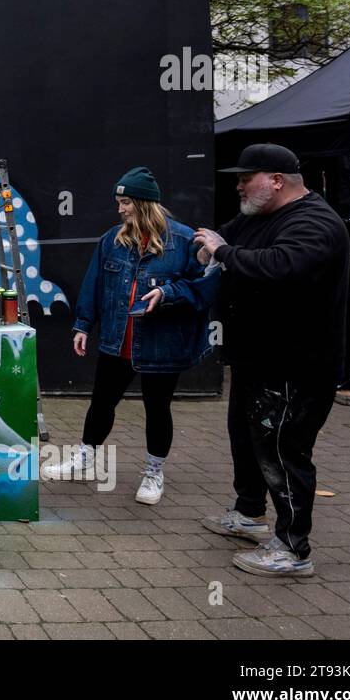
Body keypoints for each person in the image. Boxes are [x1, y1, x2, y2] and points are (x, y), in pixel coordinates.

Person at [195, 143, 349, 579]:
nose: (239, 184)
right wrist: (206, 247)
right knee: (247, 442)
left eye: (247, 177)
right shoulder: (254, 215)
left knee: (284, 453)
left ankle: (292, 548)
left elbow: (281, 266)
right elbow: (219, 237)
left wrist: (223, 252)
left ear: (277, 180)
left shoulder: (316, 222)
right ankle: (248, 514)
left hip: (296, 367)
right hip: (255, 360)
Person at [47, 167, 217, 505]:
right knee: (101, 403)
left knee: (157, 408)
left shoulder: (183, 240)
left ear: (144, 203)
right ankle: (85, 458)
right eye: (118, 202)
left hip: (161, 341)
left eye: (125, 202)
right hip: (116, 338)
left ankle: (154, 472)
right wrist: (83, 325)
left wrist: (169, 291)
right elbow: (95, 283)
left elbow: (202, 287)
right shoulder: (113, 239)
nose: (120, 209)